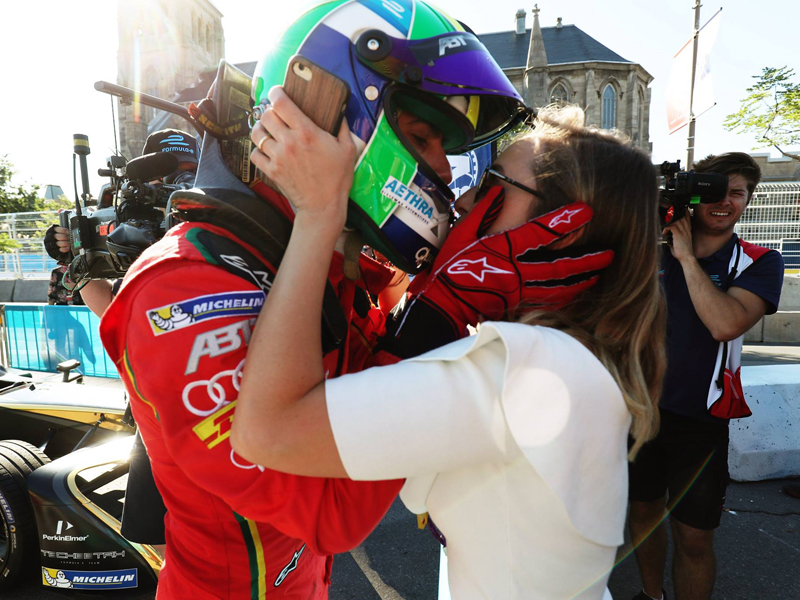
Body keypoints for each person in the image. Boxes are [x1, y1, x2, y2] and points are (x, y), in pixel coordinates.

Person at [98, 2, 532, 598]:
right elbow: (329, 510)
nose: (438, 166)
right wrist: (437, 316)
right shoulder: (179, 290)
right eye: (422, 136)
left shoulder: (326, 258)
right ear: (338, 113)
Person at [229, 103, 666, 599]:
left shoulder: (528, 366)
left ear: (564, 228)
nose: (465, 201)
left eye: (495, 188)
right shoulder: (567, 356)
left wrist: (317, 214)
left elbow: (266, 432)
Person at [628, 153, 785, 600]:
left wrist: (686, 261)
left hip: (700, 420)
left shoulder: (758, 260)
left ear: (749, 201)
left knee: (694, 537)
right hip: (638, 410)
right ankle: (650, 595)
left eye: (738, 193)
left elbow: (725, 324)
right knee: (642, 513)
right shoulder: (646, 246)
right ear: (694, 196)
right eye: (716, 190)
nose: (726, 202)